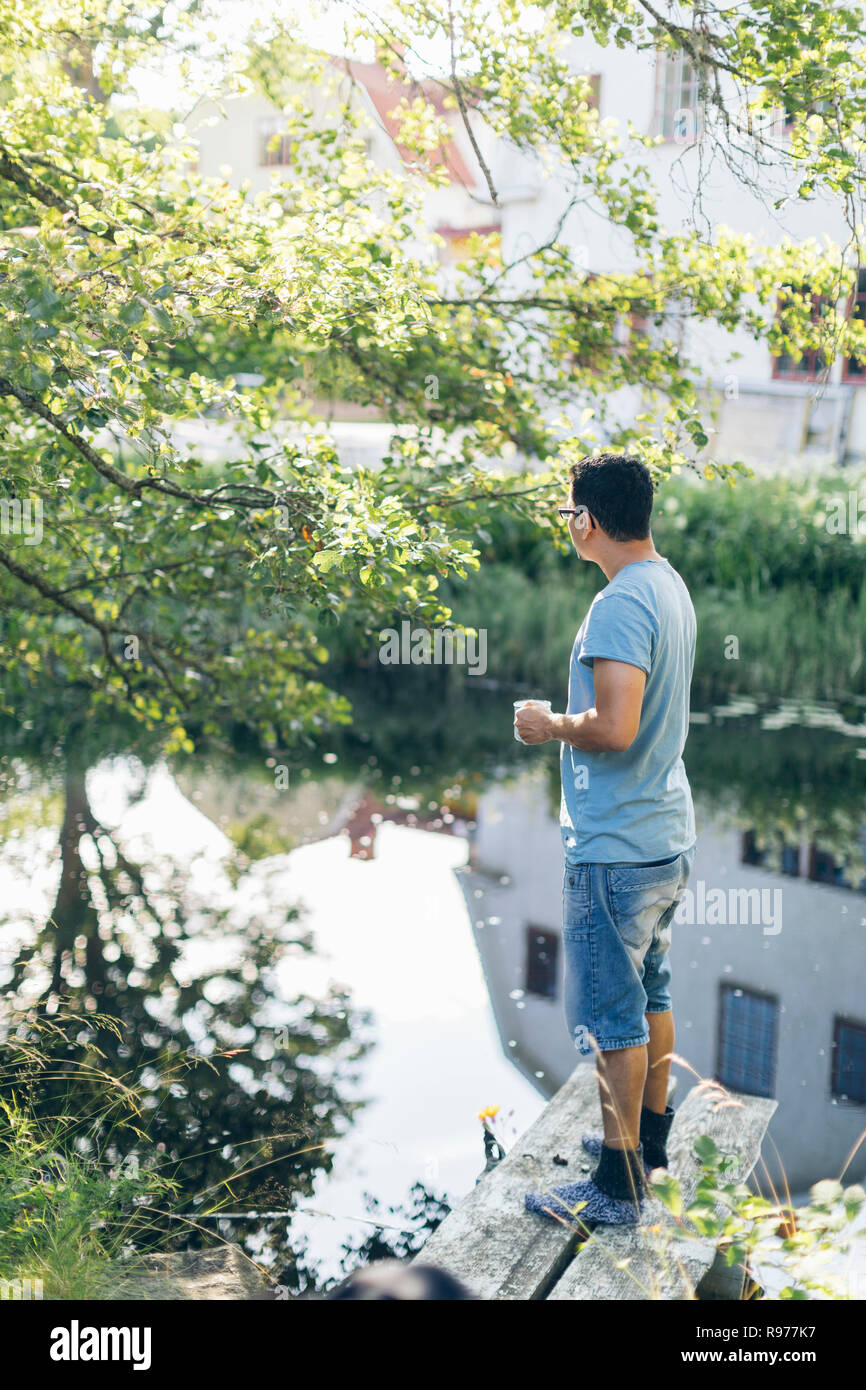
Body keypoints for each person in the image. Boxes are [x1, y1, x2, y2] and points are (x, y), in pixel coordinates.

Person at [517, 453, 697, 1227]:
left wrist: (548, 724)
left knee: (608, 1017)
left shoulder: (621, 603)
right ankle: (648, 1148)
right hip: (661, 839)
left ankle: (618, 1192)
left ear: (587, 520)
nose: (568, 524)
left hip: (615, 850)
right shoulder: (668, 585)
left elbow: (616, 728)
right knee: (649, 994)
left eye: (569, 512)